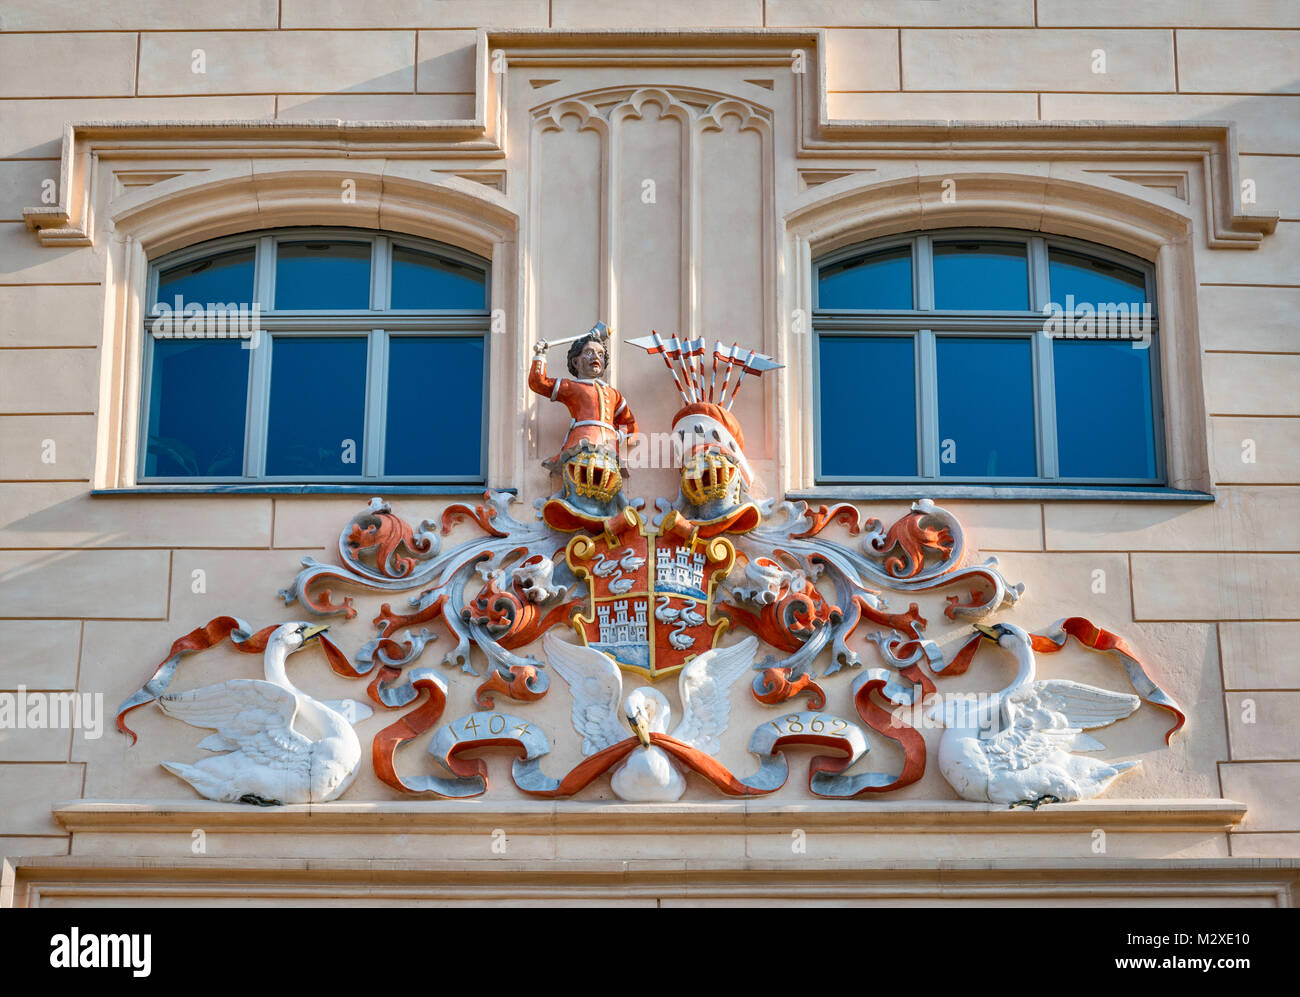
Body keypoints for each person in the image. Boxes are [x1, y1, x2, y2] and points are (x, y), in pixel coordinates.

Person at [529, 324, 638, 478]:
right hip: (581, 440)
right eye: (589, 352)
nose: (596, 357)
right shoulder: (571, 386)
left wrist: (619, 435)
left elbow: (630, 424)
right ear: (575, 362)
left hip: (609, 447)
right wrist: (540, 356)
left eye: (600, 354)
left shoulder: (614, 394)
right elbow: (538, 383)